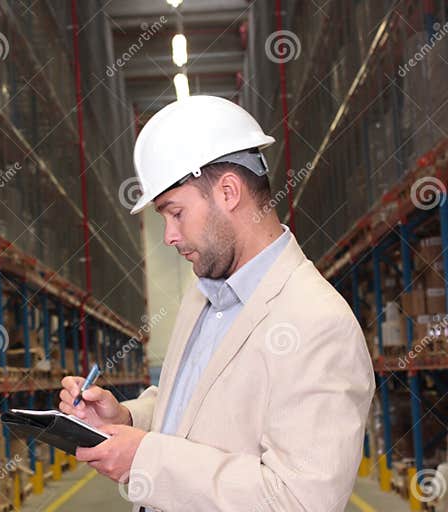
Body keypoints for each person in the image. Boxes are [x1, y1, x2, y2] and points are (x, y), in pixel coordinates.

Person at [58, 96, 375, 511]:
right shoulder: (206, 295)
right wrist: (127, 420)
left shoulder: (317, 323)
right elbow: (195, 403)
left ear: (228, 191)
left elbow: (298, 500)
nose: (169, 236)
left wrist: (145, 458)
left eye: (176, 213)